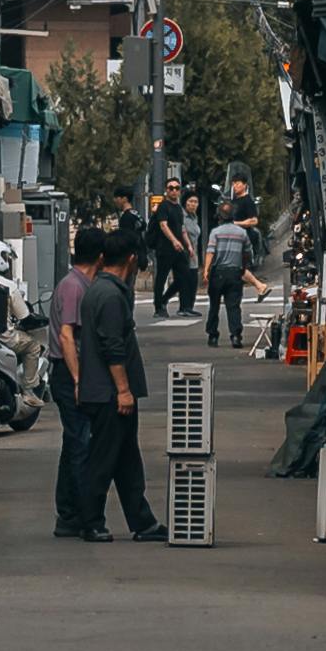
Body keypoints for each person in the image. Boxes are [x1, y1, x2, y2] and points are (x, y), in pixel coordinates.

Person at [74, 221, 172, 543]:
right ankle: (90, 521)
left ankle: (142, 521)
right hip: (109, 394)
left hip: (104, 391)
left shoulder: (99, 291)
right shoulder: (111, 297)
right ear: (131, 259)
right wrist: (124, 390)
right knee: (103, 460)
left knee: (127, 459)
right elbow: (112, 346)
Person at [47, 226, 102, 540]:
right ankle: (83, 516)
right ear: (100, 256)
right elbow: (67, 335)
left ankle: (68, 514)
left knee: (73, 444)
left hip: (70, 374)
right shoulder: (74, 287)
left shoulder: (79, 283)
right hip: (69, 375)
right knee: (81, 444)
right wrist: (80, 378)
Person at [203, 195, 255, 349]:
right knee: (233, 305)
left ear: (219, 216)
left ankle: (213, 335)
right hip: (234, 273)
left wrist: (206, 270)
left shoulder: (215, 232)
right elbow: (247, 252)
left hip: (218, 272)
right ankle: (236, 335)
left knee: (214, 305)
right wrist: (243, 267)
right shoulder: (241, 233)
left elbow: (210, 252)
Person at [147, 175, 194, 320]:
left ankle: (167, 300)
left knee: (184, 276)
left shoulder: (179, 208)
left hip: (179, 249)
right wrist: (174, 240)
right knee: (161, 277)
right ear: (166, 190)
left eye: (177, 188)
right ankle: (158, 307)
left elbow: (181, 228)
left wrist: (189, 245)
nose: (174, 191)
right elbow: (163, 225)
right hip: (165, 248)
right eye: (171, 188)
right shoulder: (163, 206)